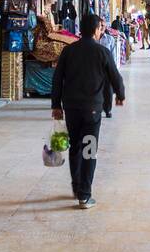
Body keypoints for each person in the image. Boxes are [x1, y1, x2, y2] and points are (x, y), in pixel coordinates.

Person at [52, 13, 125, 208]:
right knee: (89, 150)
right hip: (92, 111)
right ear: (95, 30)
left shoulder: (69, 51)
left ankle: (76, 187)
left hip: (71, 109)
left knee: (75, 147)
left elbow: (57, 79)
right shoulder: (102, 52)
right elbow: (115, 77)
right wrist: (120, 95)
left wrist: (55, 106)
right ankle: (84, 195)